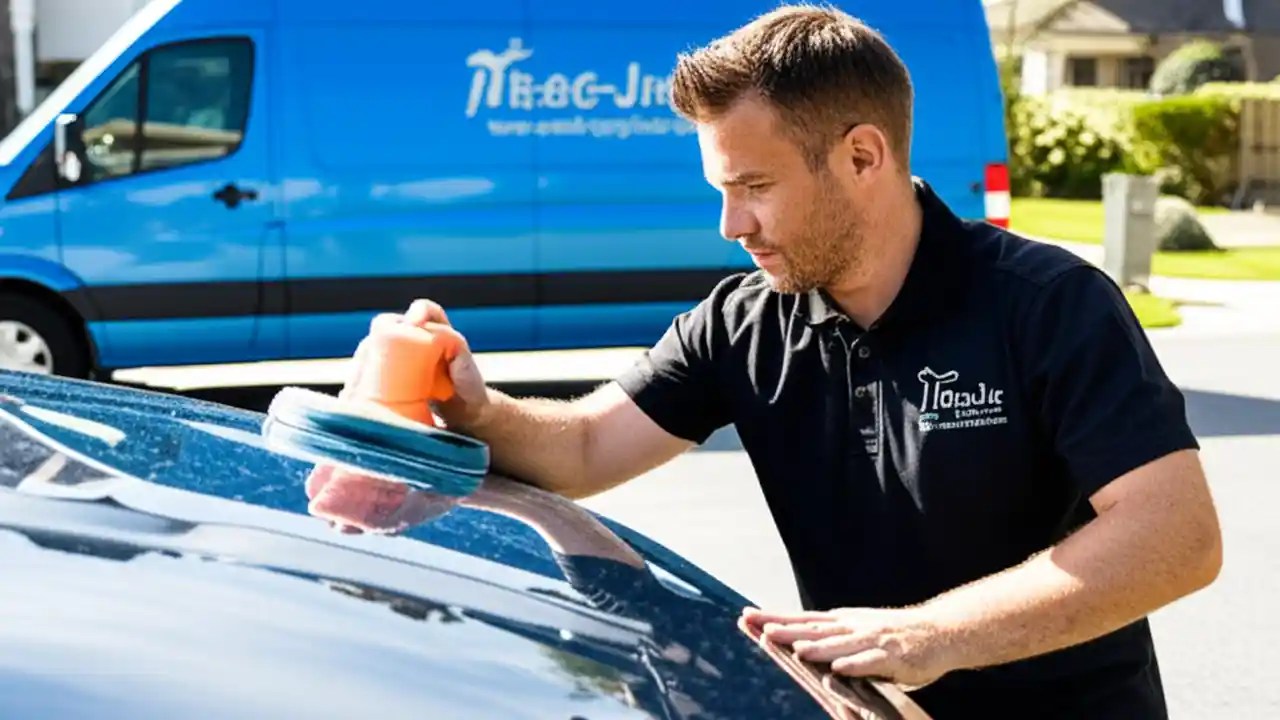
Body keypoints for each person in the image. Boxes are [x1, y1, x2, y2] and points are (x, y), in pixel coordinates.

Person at [343, 5, 1223, 718]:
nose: (731, 226)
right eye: (723, 191)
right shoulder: (743, 322)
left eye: (755, 188)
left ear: (862, 156)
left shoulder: (1049, 302)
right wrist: (476, 409)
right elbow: (581, 450)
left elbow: (1177, 539)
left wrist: (929, 636)